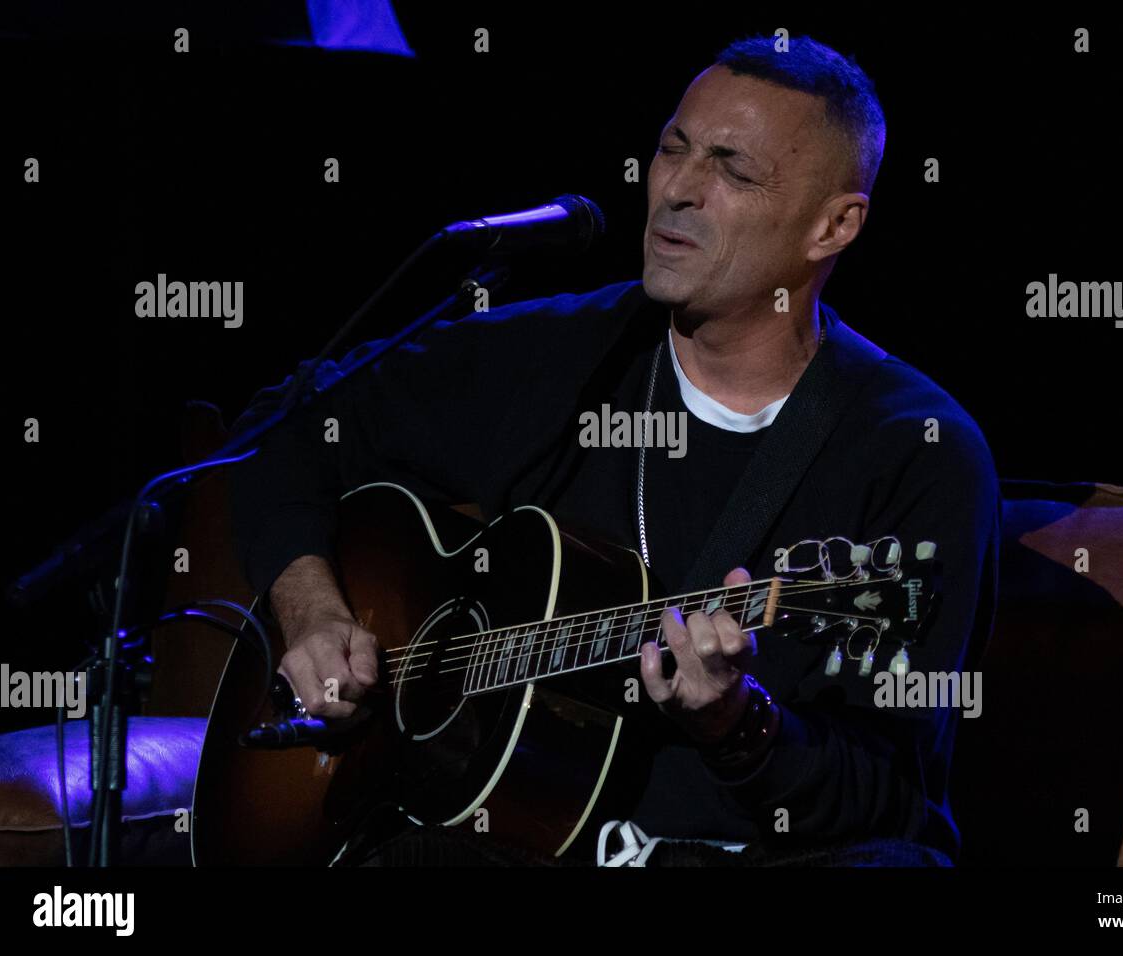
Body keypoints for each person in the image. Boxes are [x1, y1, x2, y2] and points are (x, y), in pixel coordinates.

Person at [228, 33, 999, 867]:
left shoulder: (915, 450)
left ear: (833, 225)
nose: (678, 190)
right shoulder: (560, 355)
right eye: (673, 149)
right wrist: (314, 613)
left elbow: (887, 795)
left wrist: (738, 728)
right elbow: (287, 423)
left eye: (733, 171)